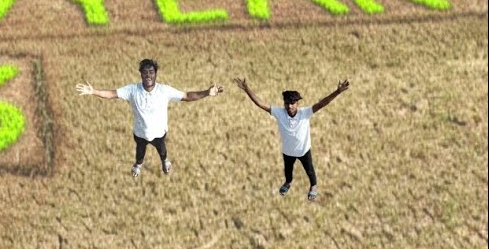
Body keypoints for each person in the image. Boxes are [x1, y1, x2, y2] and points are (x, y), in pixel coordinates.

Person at [76, 58, 222, 178]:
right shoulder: (132, 90)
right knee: (140, 152)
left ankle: (164, 161)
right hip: (140, 133)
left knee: (162, 150)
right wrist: (93, 91)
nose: (148, 75)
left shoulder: (164, 90)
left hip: (159, 133)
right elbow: (112, 94)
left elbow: (186, 96)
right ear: (140, 74)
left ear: (156, 74)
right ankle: (138, 165)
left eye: (151, 72)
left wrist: (207, 92)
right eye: (145, 72)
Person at [234, 77, 350, 200]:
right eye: (287, 103)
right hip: (287, 151)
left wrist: (338, 91)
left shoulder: (305, 113)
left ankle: (313, 186)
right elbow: (260, 104)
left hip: (303, 151)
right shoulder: (279, 113)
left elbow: (322, 103)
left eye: (292, 103)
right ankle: (288, 182)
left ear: (297, 103)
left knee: (310, 171)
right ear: (284, 103)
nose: (289, 106)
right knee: (288, 172)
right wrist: (247, 89)